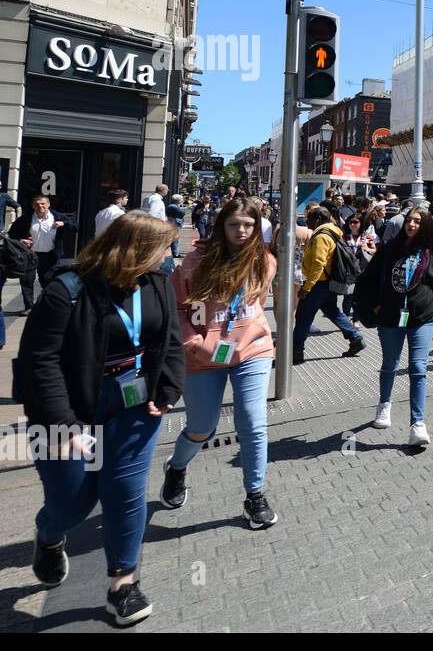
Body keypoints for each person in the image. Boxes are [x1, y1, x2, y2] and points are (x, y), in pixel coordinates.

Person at [18, 210, 183, 626]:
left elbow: (171, 341)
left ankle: (122, 585)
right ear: (136, 250)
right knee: (72, 505)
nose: (169, 257)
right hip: (65, 410)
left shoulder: (158, 284)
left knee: (125, 493)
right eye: (163, 249)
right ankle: (49, 536)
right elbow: (41, 363)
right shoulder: (65, 291)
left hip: (134, 404)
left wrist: (167, 390)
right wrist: (64, 424)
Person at [165, 198, 278, 528]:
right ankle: (176, 468)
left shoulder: (264, 261)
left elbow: (256, 304)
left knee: (253, 422)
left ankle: (254, 496)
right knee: (201, 427)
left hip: (253, 350)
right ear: (221, 226)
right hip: (203, 354)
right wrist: (191, 339)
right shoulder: (195, 263)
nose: (241, 231)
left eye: (248, 225)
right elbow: (180, 308)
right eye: (234, 224)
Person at [360, 207, 433, 446]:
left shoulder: (430, 252)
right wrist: (376, 305)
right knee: (390, 364)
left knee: (418, 367)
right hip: (390, 316)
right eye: (410, 220)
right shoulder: (389, 249)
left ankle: (417, 424)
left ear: (425, 225)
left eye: (418, 221)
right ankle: (384, 404)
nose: (412, 225)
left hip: (421, 316)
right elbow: (367, 279)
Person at [292, 206, 365, 365]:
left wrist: (307, 287)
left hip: (318, 283)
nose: (306, 221)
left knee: (303, 317)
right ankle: (355, 338)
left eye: (309, 218)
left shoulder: (321, 237)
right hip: (326, 283)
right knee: (333, 312)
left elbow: (319, 263)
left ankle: (296, 352)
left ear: (318, 219)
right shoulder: (333, 231)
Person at [8, 194, 79, 313]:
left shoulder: (57, 216)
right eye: (37, 204)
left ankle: (47, 303)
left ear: (48, 205)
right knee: (27, 281)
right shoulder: (26, 218)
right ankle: (29, 306)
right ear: (33, 206)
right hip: (30, 255)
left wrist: (64, 224)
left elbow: (76, 227)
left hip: (49, 255)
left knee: (47, 280)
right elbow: (12, 233)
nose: (40, 206)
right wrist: (22, 240)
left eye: (43, 204)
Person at [340, 213, 377, 322]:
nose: (352, 224)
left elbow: (374, 251)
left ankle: (355, 320)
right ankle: (345, 319)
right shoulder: (344, 237)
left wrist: (366, 248)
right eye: (350, 222)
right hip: (348, 271)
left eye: (355, 222)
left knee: (359, 297)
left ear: (361, 223)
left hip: (362, 271)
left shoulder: (367, 237)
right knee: (348, 297)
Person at [165, 194, 186, 259]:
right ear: (177, 200)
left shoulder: (174, 206)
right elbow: (182, 213)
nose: (182, 200)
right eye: (181, 199)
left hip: (176, 223)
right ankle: (175, 253)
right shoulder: (173, 206)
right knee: (175, 239)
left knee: (175, 239)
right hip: (175, 224)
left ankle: (175, 252)